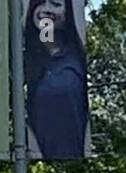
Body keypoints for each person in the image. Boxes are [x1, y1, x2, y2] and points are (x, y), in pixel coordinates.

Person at [24, 0, 89, 161]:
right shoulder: (24, 58)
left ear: (68, 13)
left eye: (55, 4)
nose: (46, 10)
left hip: (64, 158)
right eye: (41, 2)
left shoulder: (72, 67)